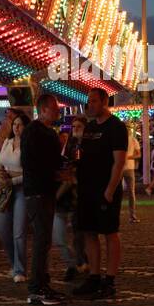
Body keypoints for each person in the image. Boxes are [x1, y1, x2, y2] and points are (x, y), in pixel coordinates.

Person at [72, 88, 128, 299]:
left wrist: (110, 190)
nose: (90, 105)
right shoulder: (90, 127)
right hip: (87, 188)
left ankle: (110, 280)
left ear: (105, 102)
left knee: (109, 233)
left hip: (105, 190)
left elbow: (119, 161)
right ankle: (94, 277)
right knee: (89, 232)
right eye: (89, 102)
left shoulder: (116, 127)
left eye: (94, 101)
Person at [20, 94, 68, 305]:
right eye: (55, 108)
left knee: (44, 240)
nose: (58, 111)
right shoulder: (34, 132)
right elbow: (35, 163)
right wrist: (58, 173)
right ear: (44, 109)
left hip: (44, 190)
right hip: (39, 191)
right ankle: (36, 288)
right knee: (41, 240)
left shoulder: (45, 132)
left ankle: (42, 284)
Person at [0, 111, 28, 283]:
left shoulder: (29, 145)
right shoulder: (7, 142)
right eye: (14, 124)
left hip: (21, 188)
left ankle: (20, 269)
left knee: (19, 231)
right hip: (6, 188)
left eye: (20, 124)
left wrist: (13, 181)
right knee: (1, 227)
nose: (16, 127)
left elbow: (31, 173)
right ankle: (14, 263)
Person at [54, 116, 89, 280]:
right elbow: (66, 172)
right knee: (60, 236)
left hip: (81, 197)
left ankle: (80, 262)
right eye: (74, 126)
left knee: (79, 236)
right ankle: (73, 263)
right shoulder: (69, 146)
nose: (75, 128)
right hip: (64, 198)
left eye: (79, 126)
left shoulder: (88, 146)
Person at [123, 125, 141, 223]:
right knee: (119, 192)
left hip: (128, 168)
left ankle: (132, 215)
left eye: (128, 128)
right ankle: (132, 216)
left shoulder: (133, 140)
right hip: (119, 168)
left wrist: (129, 157)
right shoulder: (117, 139)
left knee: (131, 192)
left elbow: (138, 154)